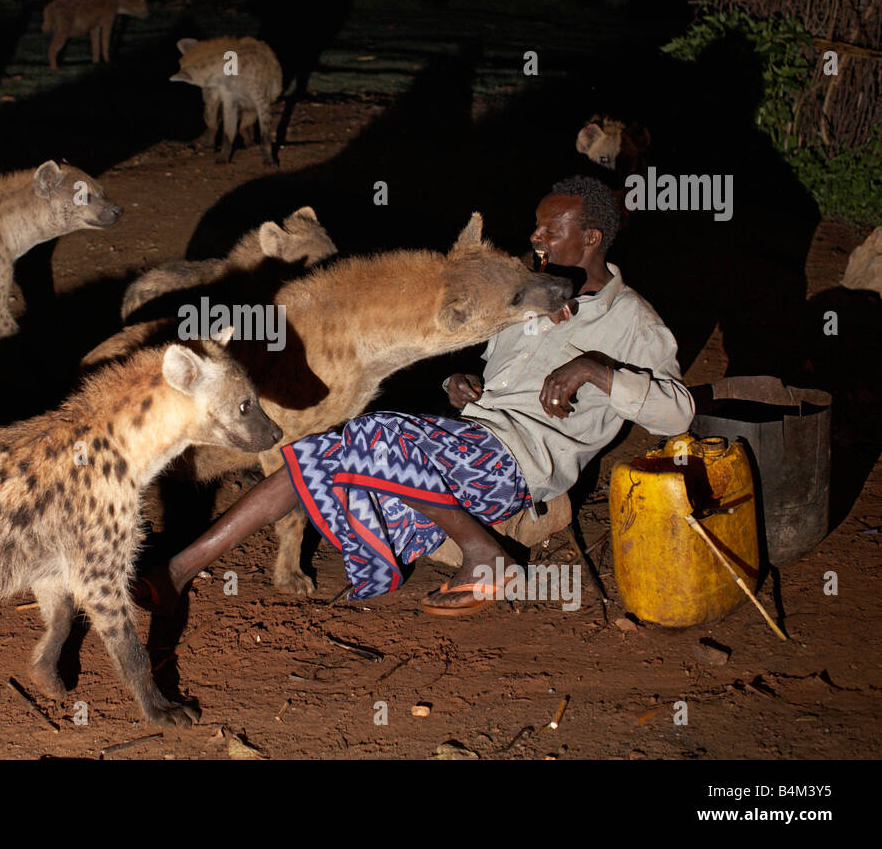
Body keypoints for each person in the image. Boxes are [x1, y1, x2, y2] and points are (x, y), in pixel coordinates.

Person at [148, 176, 696, 616]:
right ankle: (177, 570)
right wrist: (453, 385)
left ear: (593, 238)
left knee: (375, 433)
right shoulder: (523, 290)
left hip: (521, 464)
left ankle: (485, 555)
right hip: (468, 441)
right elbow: (479, 361)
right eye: (537, 228)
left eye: (551, 232)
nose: (537, 240)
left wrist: (596, 370)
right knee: (304, 459)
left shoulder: (631, 323)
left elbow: (679, 413)